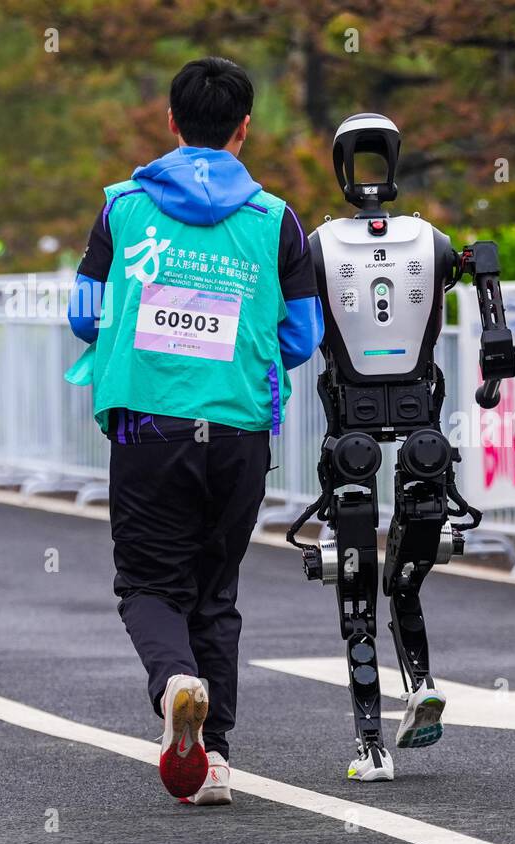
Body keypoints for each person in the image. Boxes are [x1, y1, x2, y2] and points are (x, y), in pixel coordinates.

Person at [65, 57, 324, 805]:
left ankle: (175, 682)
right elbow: (301, 337)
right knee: (216, 588)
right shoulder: (276, 222)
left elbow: (84, 313)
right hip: (239, 429)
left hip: (148, 424)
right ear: (245, 129)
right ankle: (213, 761)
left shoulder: (121, 209)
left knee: (149, 583)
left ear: (171, 122)